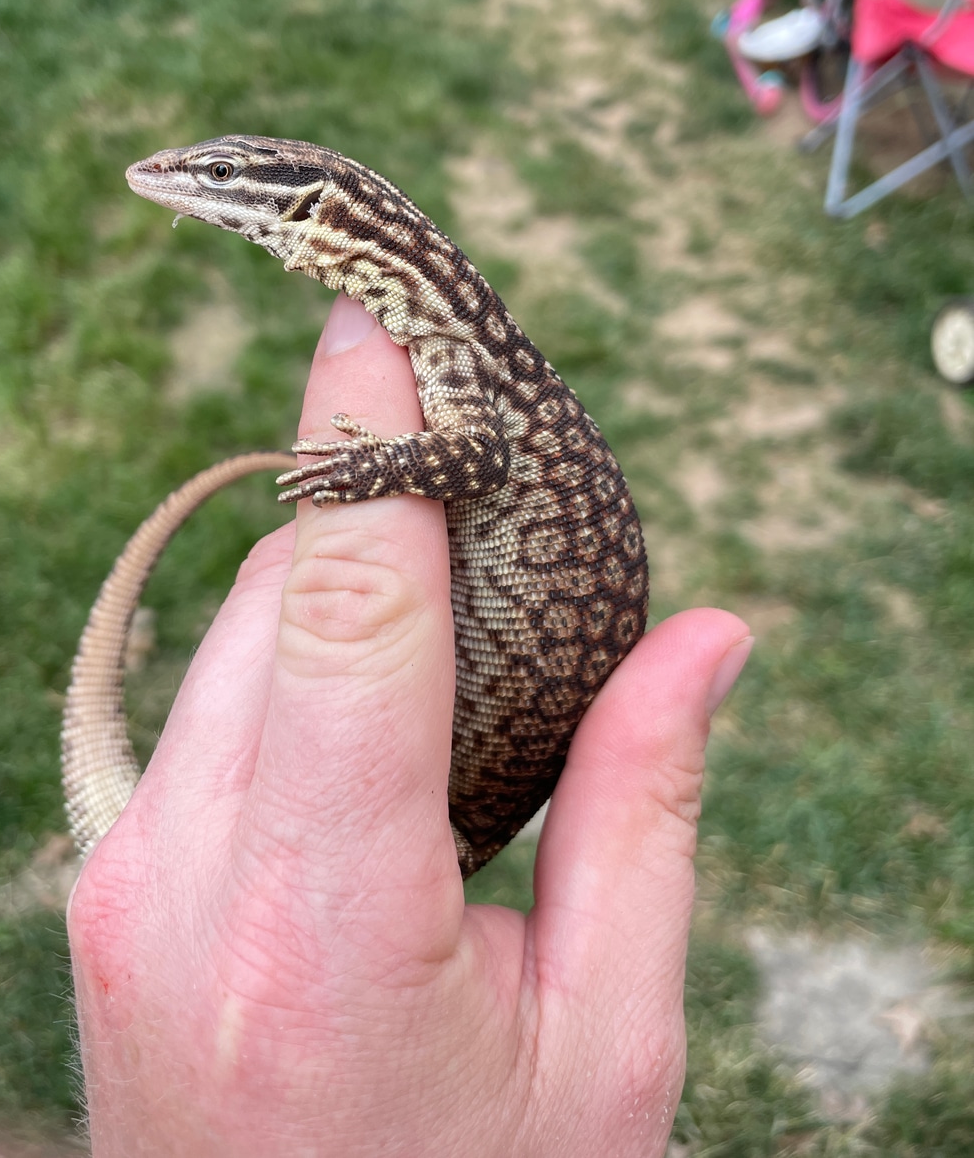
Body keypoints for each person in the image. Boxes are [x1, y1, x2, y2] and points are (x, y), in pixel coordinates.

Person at [68, 295, 752, 1157]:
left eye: (216, 178)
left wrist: (368, 471)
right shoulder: (458, 345)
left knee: (219, 877)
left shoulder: (465, 359)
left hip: (463, 789)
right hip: (465, 760)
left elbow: (479, 456)